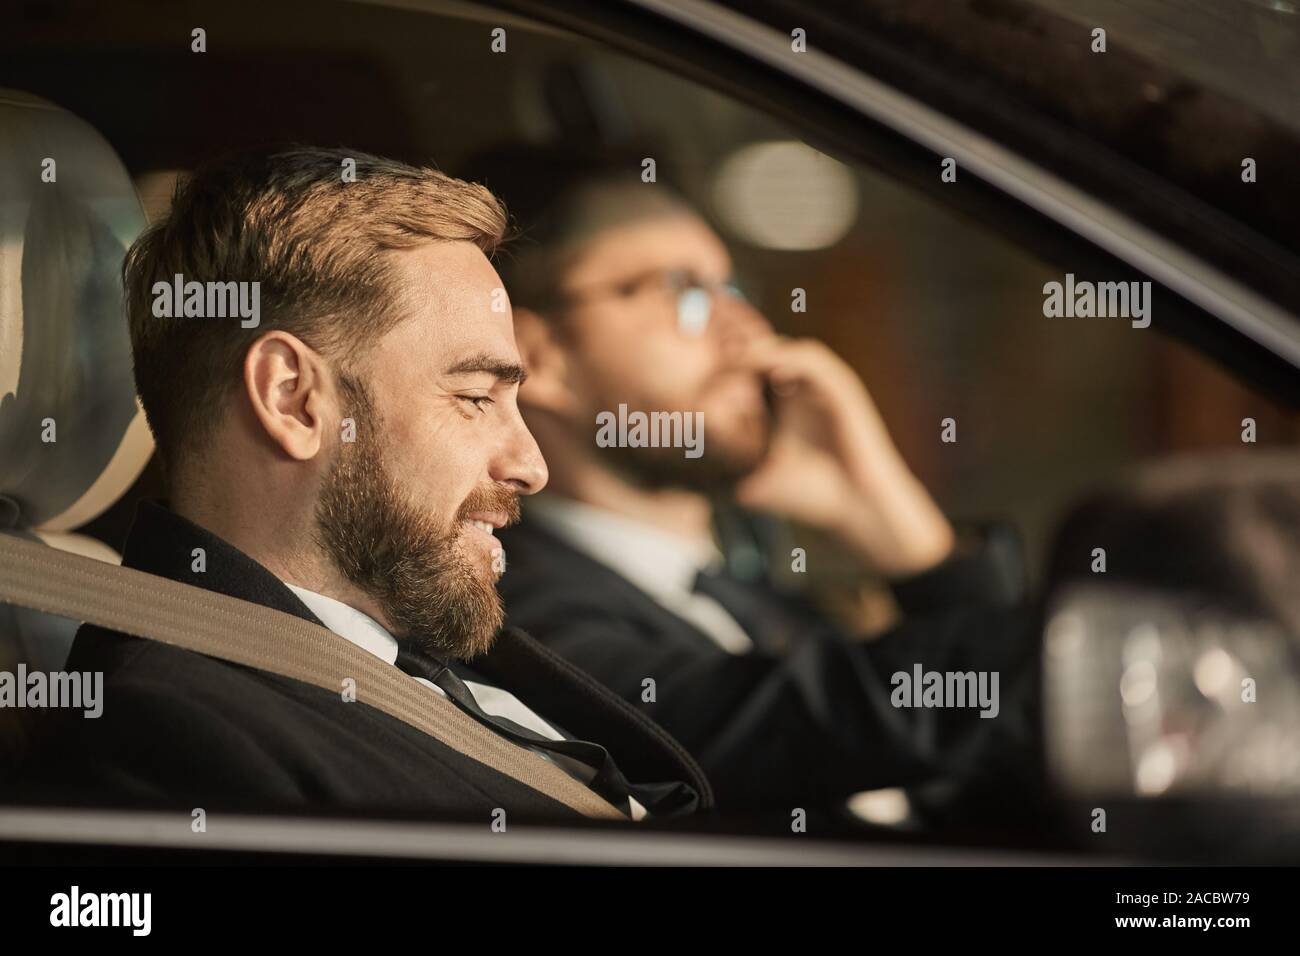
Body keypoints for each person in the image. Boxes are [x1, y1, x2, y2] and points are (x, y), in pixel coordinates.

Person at [14, 146, 707, 821]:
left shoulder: (413, 645)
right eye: (474, 398)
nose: (531, 464)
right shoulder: (178, 744)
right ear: (292, 400)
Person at [463, 144, 1041, 818]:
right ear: (540, 357)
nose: (747, 328)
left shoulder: (755, 599)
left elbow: (1002, 768)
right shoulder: (508, 616)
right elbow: (812, 723)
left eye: (733, 288)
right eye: (683, 290)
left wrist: (897, 532)